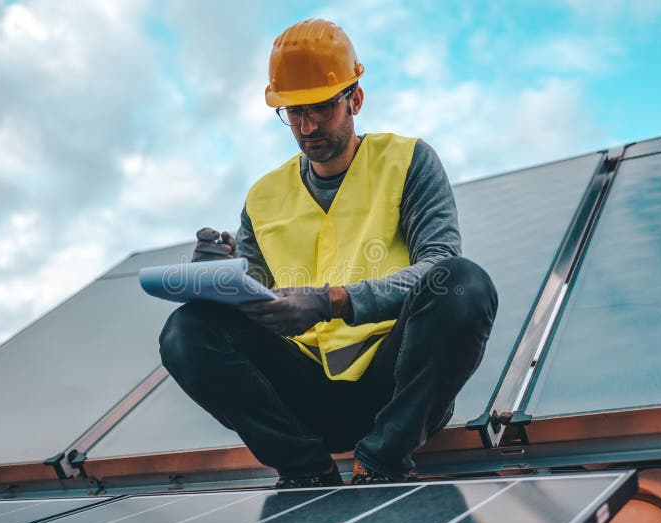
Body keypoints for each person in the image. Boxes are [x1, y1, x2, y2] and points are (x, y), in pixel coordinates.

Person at [159, 18, 498, 488]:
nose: (308, 125)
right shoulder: (263, 196)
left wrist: (331, 301)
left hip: (396, 387)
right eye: (293, 112)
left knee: (463, 282)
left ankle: (382, 462)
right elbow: (251, 302)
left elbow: (438, 266)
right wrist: (220, 277)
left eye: (321, 107)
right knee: (186, 331)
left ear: (355, 99)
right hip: (306, 396)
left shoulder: (408, 162)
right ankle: (305, 470)